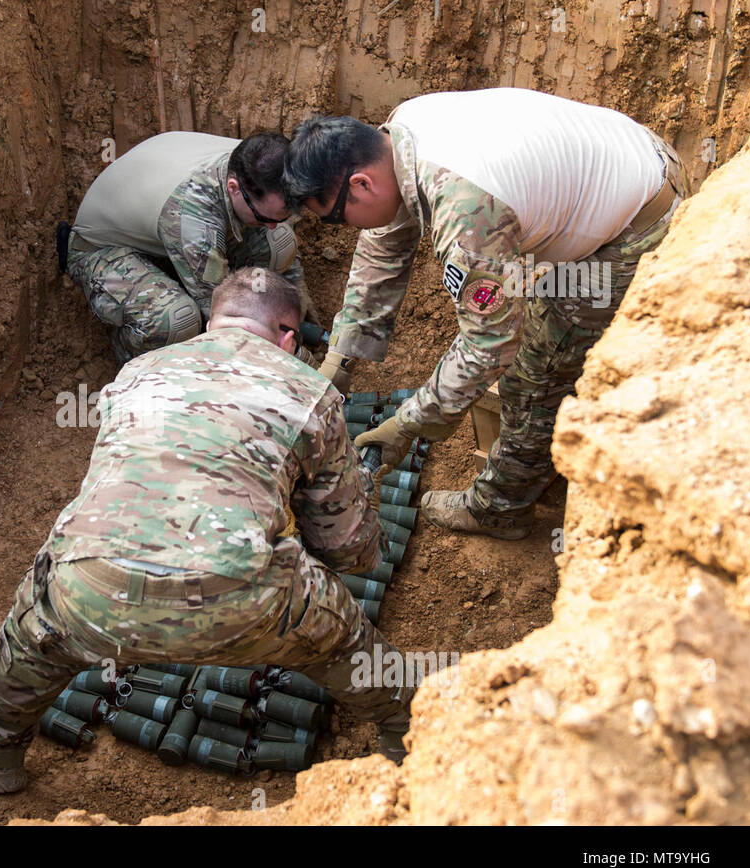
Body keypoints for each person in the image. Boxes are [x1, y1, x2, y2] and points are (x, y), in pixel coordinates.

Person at [0, 268, 414, 794]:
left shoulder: (137, 372)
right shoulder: (311, 392)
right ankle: (408, 731)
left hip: (92, 588)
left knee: (34, 632)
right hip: (244, 602)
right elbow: (348, 548)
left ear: (210, 322)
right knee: (342, 635)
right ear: (289, 337)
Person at [283, 88, 689, 538]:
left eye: (338, 217)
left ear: (362, 184)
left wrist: (409, 422)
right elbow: (383, 244)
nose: (346, 228)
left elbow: (489, 344)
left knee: (533, 372)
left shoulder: (466, 211)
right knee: (540, 329)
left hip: (638, 226)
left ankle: (500, 507)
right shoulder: (401, 132)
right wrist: (341, 357)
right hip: (637, 160)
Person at [59, 130, 308, 364]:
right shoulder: (193, 221)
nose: (272, 226)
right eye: (265, 218)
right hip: (99, 249)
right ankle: (136, 359)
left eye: (280, 217)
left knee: (279, 243)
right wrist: (299, 360)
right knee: (178, 320)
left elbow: (274, 237)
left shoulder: (257, 163)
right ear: (234, 188)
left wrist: (295, 308)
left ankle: (179, 275)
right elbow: (227, 313)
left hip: (158, 224)